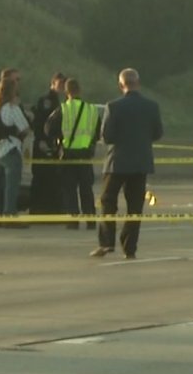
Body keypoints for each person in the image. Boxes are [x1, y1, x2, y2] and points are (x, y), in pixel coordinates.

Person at [92, 68, 163, 259]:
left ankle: (107, 242)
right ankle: (130, 247)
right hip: (141, 162)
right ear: (138, 83)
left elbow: (107, 136)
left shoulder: (113, 106)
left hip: (117, 162)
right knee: (135, 206)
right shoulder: (151, 106)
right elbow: (158, 133)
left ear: (121, 85)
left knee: (108, 201)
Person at [45, 78, 100, 230]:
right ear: (80, 90)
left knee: (69, 189)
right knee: (86, 189)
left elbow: (48, 129)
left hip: (68, 155)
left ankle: (73, 221)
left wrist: (60, 138)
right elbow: (98, 131)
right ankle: (90, 220)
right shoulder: (91, 109)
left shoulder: (63, 109)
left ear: (66, 92)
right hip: (85, 155)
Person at [0, 77, 30, 228]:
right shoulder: (11, 107)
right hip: (10, 149)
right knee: (11, 186)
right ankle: (9, 215)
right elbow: (25, 127)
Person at [29, 72, 66, 215]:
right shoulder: (47, 101)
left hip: (54, 144)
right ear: (53, 83)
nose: (62, 87)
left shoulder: (60, 101)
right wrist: (41, 140)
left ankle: (52, 208)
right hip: (43, 144)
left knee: (53, 177)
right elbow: (40, 122)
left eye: (63, 84)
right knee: (41, 176)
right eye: (60, 84)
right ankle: (38, 208)